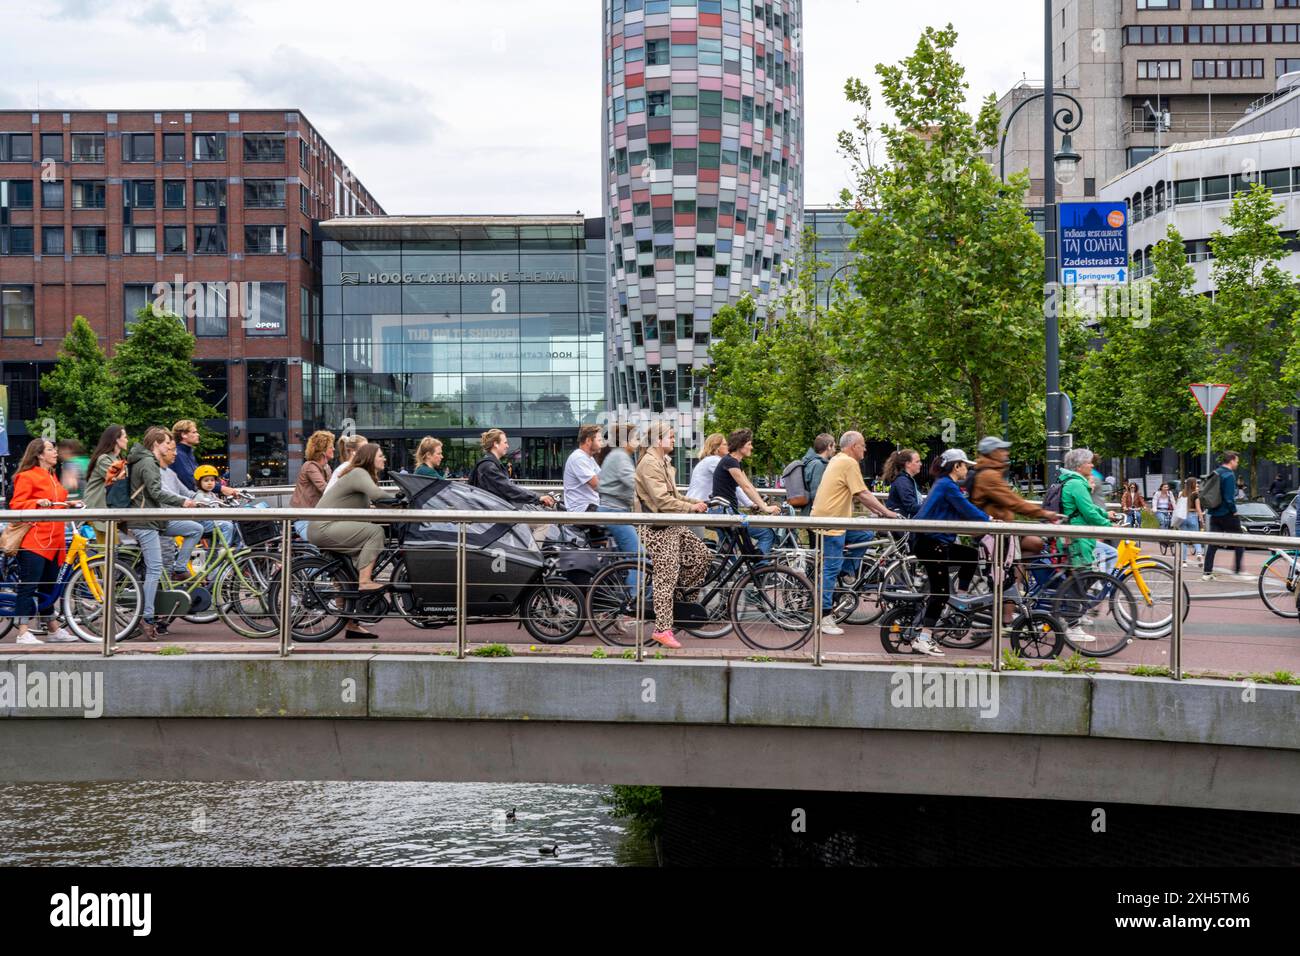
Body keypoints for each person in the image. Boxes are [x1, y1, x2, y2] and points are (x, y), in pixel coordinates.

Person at [810, 430, 898, 637]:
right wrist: (886, 513)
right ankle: (824, 617)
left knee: (865, 534)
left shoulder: (839, 460)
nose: (865, 449)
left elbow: (857, 493)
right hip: (831, 524)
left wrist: (876, 512)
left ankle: (847, 572)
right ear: (852, 446)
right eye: (863, 445)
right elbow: (862, 493)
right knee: (830, 569)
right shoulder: (848, 463)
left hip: (835, 520)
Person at [634, 421, 711, 649]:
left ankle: (681, 605)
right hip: (656, 527)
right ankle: (662, 629)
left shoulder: (662, 461)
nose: (674, 441)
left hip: (670, 522)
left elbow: (674, 495)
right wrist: (690, 508)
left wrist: (695, 502)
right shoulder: (649, 464)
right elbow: (662, 500)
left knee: (701, 556)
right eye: (671, 437)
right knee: (666, 574)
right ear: (659, 441)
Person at [910, 449, 991, 656]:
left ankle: (960, 600)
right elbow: (966, 508)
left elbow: (959, 512)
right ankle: (924, 638)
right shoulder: (948, 486)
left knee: (970, 556)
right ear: (956, 466)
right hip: (931, 543)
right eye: (965, 465)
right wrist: (989, 521)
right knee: (941, 591)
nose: (967, 470)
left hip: (935, 542)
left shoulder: (945, 484)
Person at [308, 444, 394, 637]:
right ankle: (365, 582)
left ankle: (350, 624)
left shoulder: (360, 475)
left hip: (328, 527)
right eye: (381, 455)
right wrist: (403, 500)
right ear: (370, 458)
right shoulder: (358, 473)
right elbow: (378, 495)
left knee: (347, 577)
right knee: (375, 532)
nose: (384, 459)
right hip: (324, 528)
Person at [126, 427, 201, 641]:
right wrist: (183, 502)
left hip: (155, 520)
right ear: (157, 444)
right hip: (144, 522)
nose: (171, 447)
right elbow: (155, 492)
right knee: (155, 568)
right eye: (168, 443)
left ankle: (179, 567)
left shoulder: (148, 461)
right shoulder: (148, 462)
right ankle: (147, 617)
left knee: (195, 529)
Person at [8, 438, 80, 644]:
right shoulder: (27, 476)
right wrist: (36, 502)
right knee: (29, 586)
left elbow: (54, 504)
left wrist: (68, 504)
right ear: (39, 454)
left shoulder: (51, 477)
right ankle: (22, 632)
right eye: (50, 449)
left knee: (48, 587)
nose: (55, 452)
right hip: (35, 540)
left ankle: (53, 629)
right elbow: (17, 504)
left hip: (54, 541)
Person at [969, 436, 1060, 597]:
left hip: (1002, 530)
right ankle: (1008, 608)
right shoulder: (988, 475)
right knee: (1028, 550)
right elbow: (1014, 502)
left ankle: (1016, 588)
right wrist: (1044, 513)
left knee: (1035, 544)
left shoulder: (993, 472)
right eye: (1002, 449)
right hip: (994, 534)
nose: (1006, 452)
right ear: (993, 453)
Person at [1057, 447, 1126, 642]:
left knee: (1082, 578)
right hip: (1078, 539)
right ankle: (1071, 625)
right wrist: (1108, 526)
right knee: (1080, 579)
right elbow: (1088, 513)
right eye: (1089, 462)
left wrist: (1106, 514)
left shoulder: (1074, 482)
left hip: (1080, 538)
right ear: (1079, 466)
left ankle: (1070, 615)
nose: (1092, 465)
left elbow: (1089, 508)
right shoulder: (1077, 484)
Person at [710, 428, 781, 554]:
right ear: (740, 445)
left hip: (725, 511)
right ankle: (759, 570)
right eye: (749, 444)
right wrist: (765, 508)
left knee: (729, 553)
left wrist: (759, 504)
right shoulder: (730, 462)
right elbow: (746, 488)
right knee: (766, 533)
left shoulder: (734, 462)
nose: (751, 447)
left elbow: (749, 485)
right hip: (726, 513)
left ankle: (738, 572)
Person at [596, 424, 642, 572]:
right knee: (639, 558)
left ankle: (630, 590)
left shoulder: (617, 455)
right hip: (614, 512)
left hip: (612, 510)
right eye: (635, 438)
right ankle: (636, 594)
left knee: (630, 557)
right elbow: (635, 482)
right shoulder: (620, 456)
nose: (638, 441)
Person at [469, 429, 555, 508]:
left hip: (496, 512)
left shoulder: (490, 464)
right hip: (494, 516)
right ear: (496, 444)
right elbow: (508, 489)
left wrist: (536, 497)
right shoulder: (488, 466)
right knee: (543, 524)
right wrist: (538, 498)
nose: (507, 446)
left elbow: (508, 488)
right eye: (505, 442)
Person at [1203, 451, 1249, 583]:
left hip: (1214, 512)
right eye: (1237, 461)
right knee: (1240, 541)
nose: (1237, 464)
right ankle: (1238, 570)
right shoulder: (1229, 475)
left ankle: (1207, 572)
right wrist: (1234, 510)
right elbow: (1229, 498)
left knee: (1213, 544)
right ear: (1232, 460)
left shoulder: (1216, 472)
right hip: (1227, 513)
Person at [83, 424, 130, 539]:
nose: (127, 440)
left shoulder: (118, 459)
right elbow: (119, 479)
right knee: (109, 552)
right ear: (116, 439)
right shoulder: (104, 459)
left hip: (109, 511)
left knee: (115, 550)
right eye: (125, 437)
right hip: (99, 511)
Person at [289, 430, 335, 540]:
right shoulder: (310, 466)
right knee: (318, 548)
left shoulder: (326, 467)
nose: (333, 449)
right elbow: (325, 489)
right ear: (322, 450)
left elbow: (334, 486)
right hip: (305, 518)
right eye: (331, 447)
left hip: (315, 516)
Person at [563, 424, 604, 515]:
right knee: (620, 519)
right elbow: (597, 485)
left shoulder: (589, 458)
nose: (602, 444)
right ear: (588, 441)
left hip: (590, 507)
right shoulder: (578, 458)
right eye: (599, 440)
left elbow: (603, 478)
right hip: (582, 510)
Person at [797, 434, 836, 514]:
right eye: (834, 447)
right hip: (813, 515)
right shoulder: (818, 465)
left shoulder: (811, 462)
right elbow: (817, 495)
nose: (834, 450)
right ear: (829, 446)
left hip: (808, 512)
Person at [1173, 477, 1205, 567]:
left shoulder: (1181, 493)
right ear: (1193, 484)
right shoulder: (1196, 494)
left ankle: (1184, 562)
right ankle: (1199, 553)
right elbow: (1198, 508)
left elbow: (1178, 506)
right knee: (1196, 537)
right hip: (1192, 516)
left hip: (1183, 517)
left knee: (1184, 541)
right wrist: (1202, 519)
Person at [883, 448, 923, 519]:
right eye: (917, 462)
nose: (920, 464)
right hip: (901, 526)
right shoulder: (903, 481)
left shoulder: (907, 480)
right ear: (908, 464)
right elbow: (911, 506)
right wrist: (931, 506)